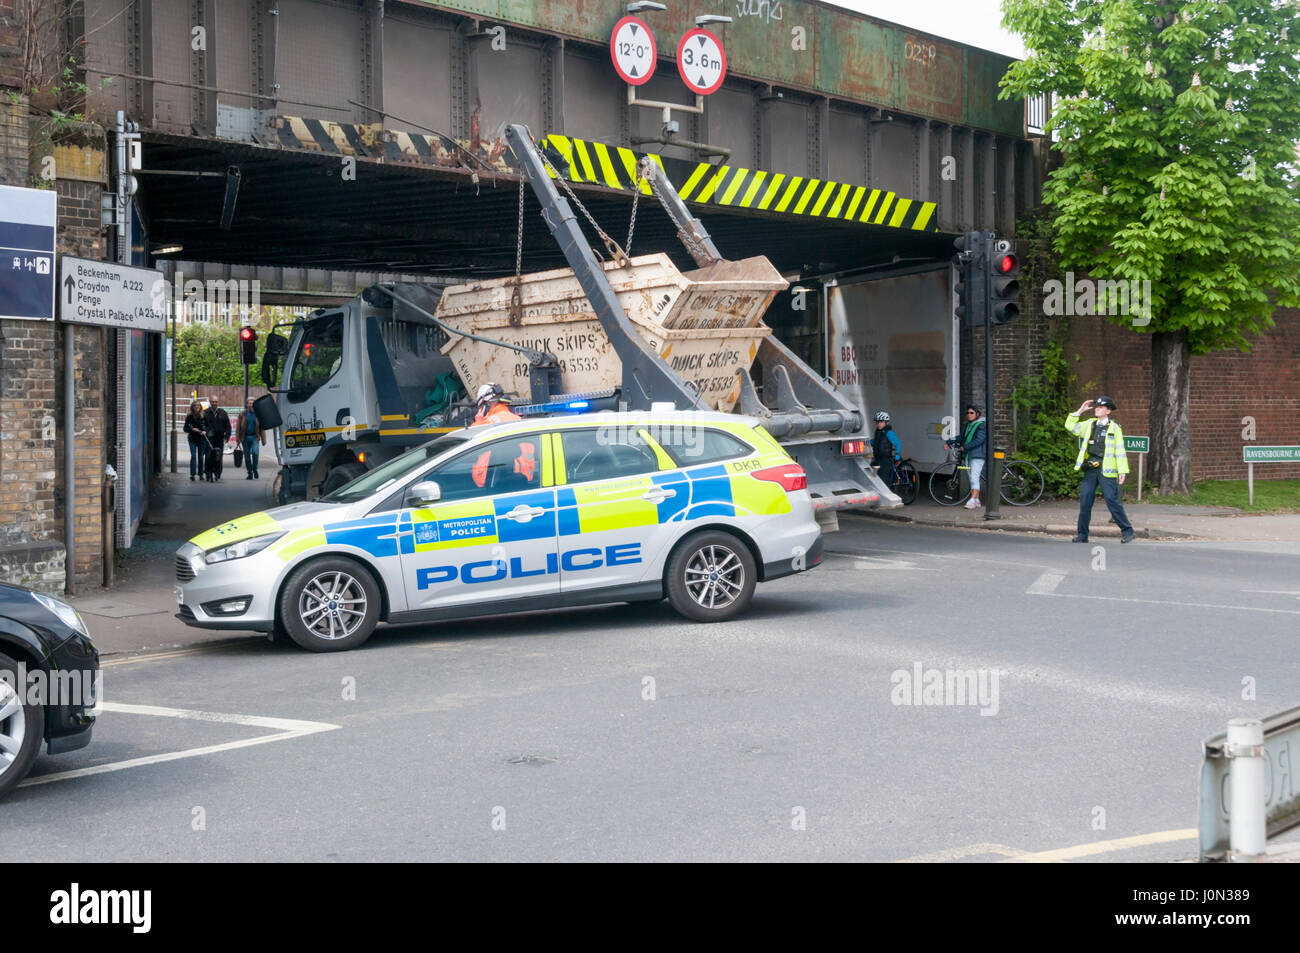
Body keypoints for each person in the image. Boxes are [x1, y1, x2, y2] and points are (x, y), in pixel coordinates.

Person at [1065, 396, 1135, 544]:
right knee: (1085, 501)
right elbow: (1070, 427)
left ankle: (1128, 531)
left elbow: (1120, 450)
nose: (1097, 409)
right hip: (1091, 468)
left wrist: (1123, 471)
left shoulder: (1114, 428)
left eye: (1101, 407)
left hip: (1107, 470)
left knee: (1112, 500)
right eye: (1096, 407)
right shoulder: (1089, 424)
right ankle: (1082, 535)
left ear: (1108, 410)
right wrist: (1080, 411)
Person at [946, 404, 987, 509]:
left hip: (977, 455)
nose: (969, 415)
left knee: (974, 477)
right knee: (972, 478)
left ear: (977, 414)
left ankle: (972, 500)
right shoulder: (969, 425)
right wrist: (949, 441)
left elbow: (979, 440)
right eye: (968, 413)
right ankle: (977, 500)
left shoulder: (981, 425)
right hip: (969, 455)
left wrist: (965, 447)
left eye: (971, 413)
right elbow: (962, 437)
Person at [236, 397, 265, 480]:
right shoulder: (242, 414)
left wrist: (263, 439)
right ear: (246, 404)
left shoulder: (258, 414)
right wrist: (237, 439)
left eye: (252, 403)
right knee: (247, 457)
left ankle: (255, 469)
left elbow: (262, 427)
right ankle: (250, 473)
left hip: (255, 437)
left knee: (255, 454)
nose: (251, 405)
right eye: (249, 403)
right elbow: (238, 427)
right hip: (245, 438)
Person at [204, 401, 233, 482]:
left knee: (218, 457)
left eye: (216, 402)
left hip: (220, 438)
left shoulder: (223, 413)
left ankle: (217, 472)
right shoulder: (206, 412)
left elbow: (228, 426)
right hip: (209, 438)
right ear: (210, 402)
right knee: (208, 456)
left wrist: (227, 437)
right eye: (212, 402)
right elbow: (203, 424)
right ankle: (208, 472)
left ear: (218, 403)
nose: (214, 403)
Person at [870, 411, 902, 482]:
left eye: (881, 422)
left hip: (885, 459)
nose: (878, 424)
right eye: (877, 422)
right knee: (873, 475)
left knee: (883, 479)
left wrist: (897, 454)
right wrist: (866, 443)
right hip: (877, 459)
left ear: (886, 422)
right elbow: (875, 441)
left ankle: (887, 492)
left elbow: (898, 443)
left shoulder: (889, 433)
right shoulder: (879, 432)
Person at [183, 400, 207, 482]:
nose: (197, 406)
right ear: (192, 407)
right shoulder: (189, 417)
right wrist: (192, 429)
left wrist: (205, 431)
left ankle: (201, 474)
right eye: (195, 405)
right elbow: (185, 428)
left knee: (200, 457)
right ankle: (192, 474)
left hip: (202, 439)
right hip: (192, 439)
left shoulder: (204, 416)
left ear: (200, 407)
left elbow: (209, 427)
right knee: (193, 456)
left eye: (198, 405)